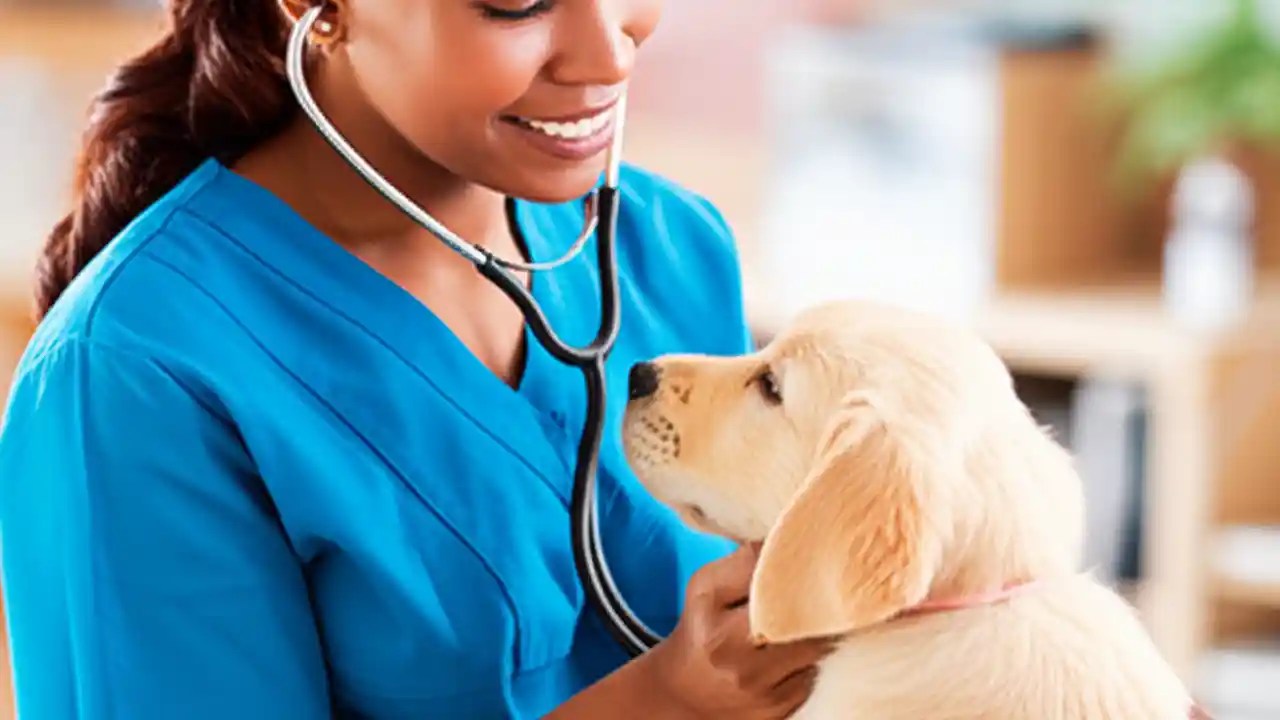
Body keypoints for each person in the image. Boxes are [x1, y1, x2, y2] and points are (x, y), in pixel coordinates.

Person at [0, 0, 832, 717]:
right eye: (517, 4)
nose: (611, 49)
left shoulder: (673, 250)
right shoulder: (139, 371)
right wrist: (668, 702)